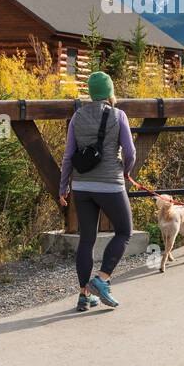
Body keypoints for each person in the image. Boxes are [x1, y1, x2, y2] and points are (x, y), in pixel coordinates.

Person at [59, 71, 136, 311]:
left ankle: (84, 295)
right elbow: (130, 152)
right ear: (110, 92)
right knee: (124, 231)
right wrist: (126, 171)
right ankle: (101, 279)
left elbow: (68, 155)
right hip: (110, 184)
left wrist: (63, 186)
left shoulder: (77, 117)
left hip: (81, 187)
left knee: (87, 239)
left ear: (91, 94)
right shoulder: (118, 115)